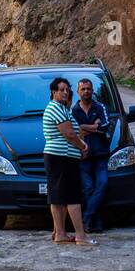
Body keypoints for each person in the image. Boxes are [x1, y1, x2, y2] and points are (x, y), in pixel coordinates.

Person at [42, 77, 93, 246]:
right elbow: (69, 133)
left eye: (66, 90)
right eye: (61, 90)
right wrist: (82, 147)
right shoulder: (55, 108)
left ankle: (61, 233)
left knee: (59, 197)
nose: (65, 92)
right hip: (60, 157)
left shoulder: (62, 108)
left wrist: (80, 142)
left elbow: (76, 130)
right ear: (53, 92)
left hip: (63, 157)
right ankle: (80, 236)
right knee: (72, 197)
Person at [72, 77, 112, 233]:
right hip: (83, 156)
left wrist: (85, 128)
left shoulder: (100, 107)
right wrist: (93, 126)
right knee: (88, 188)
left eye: (88, 88)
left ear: (92, 90)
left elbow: (105, 126)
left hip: (101, 154)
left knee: (102, 184)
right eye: (83, 89)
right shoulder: (73, 111)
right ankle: (96, 222)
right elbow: (75, 130)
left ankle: (87, 218)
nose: (86, 91)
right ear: (78, 92)